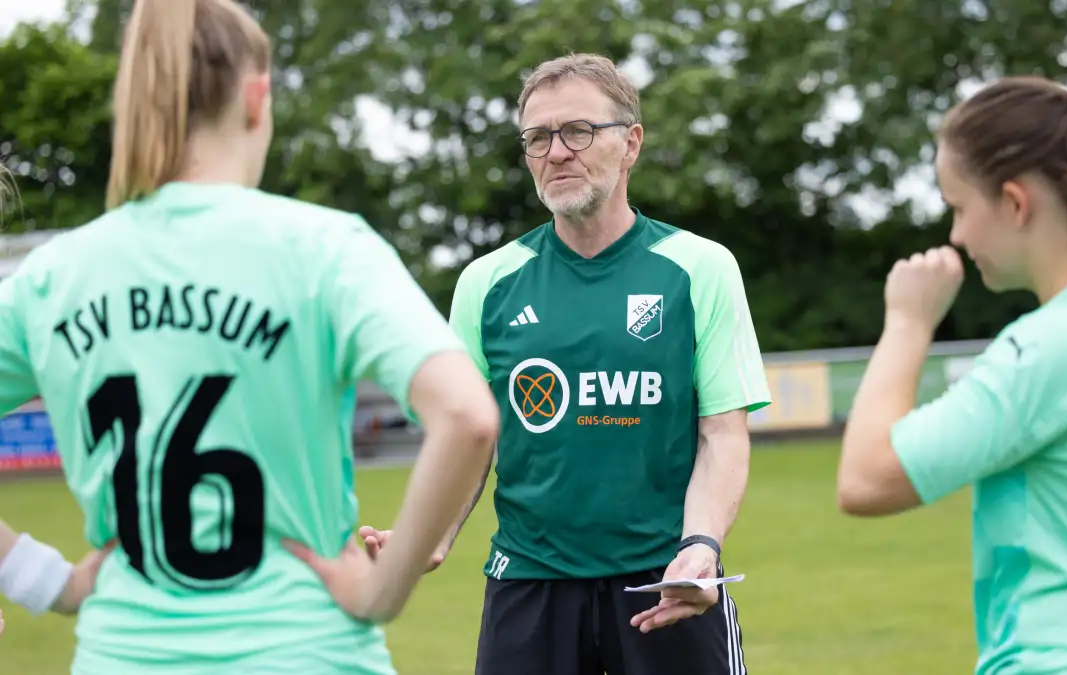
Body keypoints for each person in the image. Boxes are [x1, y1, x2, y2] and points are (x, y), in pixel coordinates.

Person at [0, 0, 499, 673]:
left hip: (124, 655)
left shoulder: (53, 275)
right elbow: (467, 415)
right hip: (308, 653)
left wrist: (46, 580)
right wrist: (380, 592)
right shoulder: (326, 248)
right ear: (257, 99)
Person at [359, 52, 772, 675]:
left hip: (665, 582)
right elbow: (470, 438)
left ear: (630, 143)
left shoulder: (700, 268)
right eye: (538, 137)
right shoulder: (487, 283)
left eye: (578, 131)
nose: (556, 152)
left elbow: (721, 432)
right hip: (529, 586)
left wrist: (701, 546)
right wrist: (430, 538)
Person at [838, 75, 1067, 674]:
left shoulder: (1051, 348)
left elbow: (866, 481)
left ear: (1015, 202)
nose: (954, 234)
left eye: (958, 206)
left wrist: (907, 322)